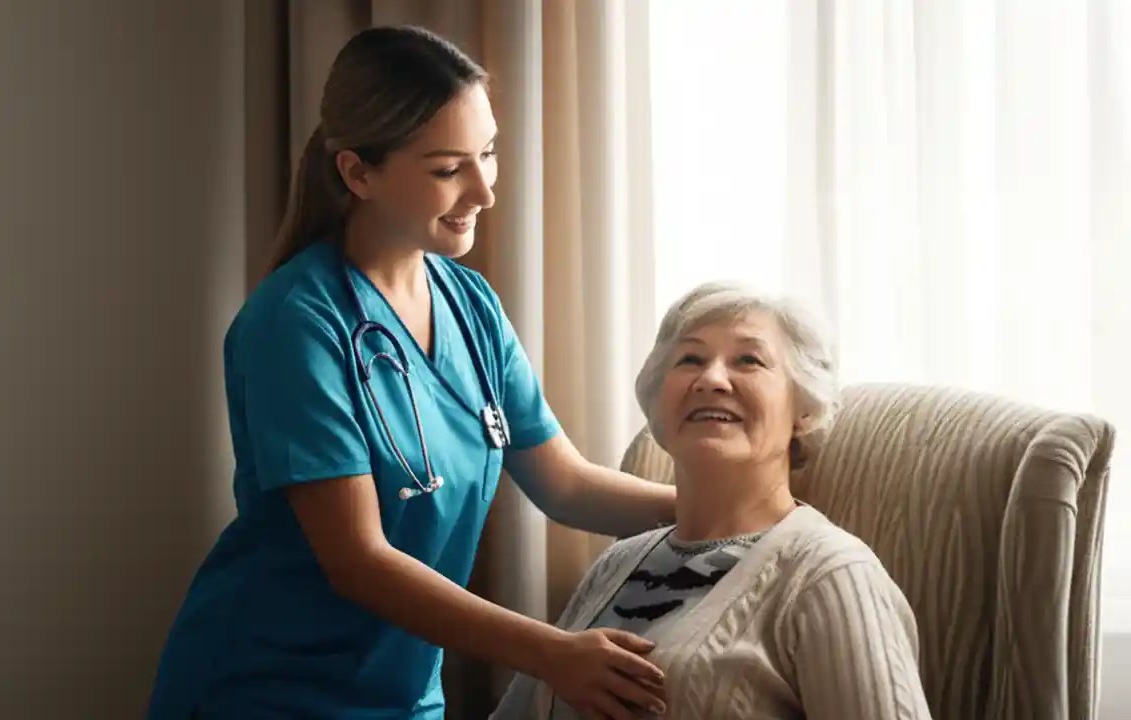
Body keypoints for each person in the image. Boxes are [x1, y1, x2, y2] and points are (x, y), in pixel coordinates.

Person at [147, 25, 678, 720]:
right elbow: (359, 560)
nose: (485, 191)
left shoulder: (471, 305)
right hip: (266, 692)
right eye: (448, 169)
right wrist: (554, 654)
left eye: (488, 153)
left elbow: (564, 483)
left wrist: (726, 509)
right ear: (357, 173)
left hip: (401, 699)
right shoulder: (296, 324)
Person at [491, 282, 933, 719]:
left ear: (804, 411)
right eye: (691, 359)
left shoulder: (831, 575)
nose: (712, 379)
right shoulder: (618, 564)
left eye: (749, 360)